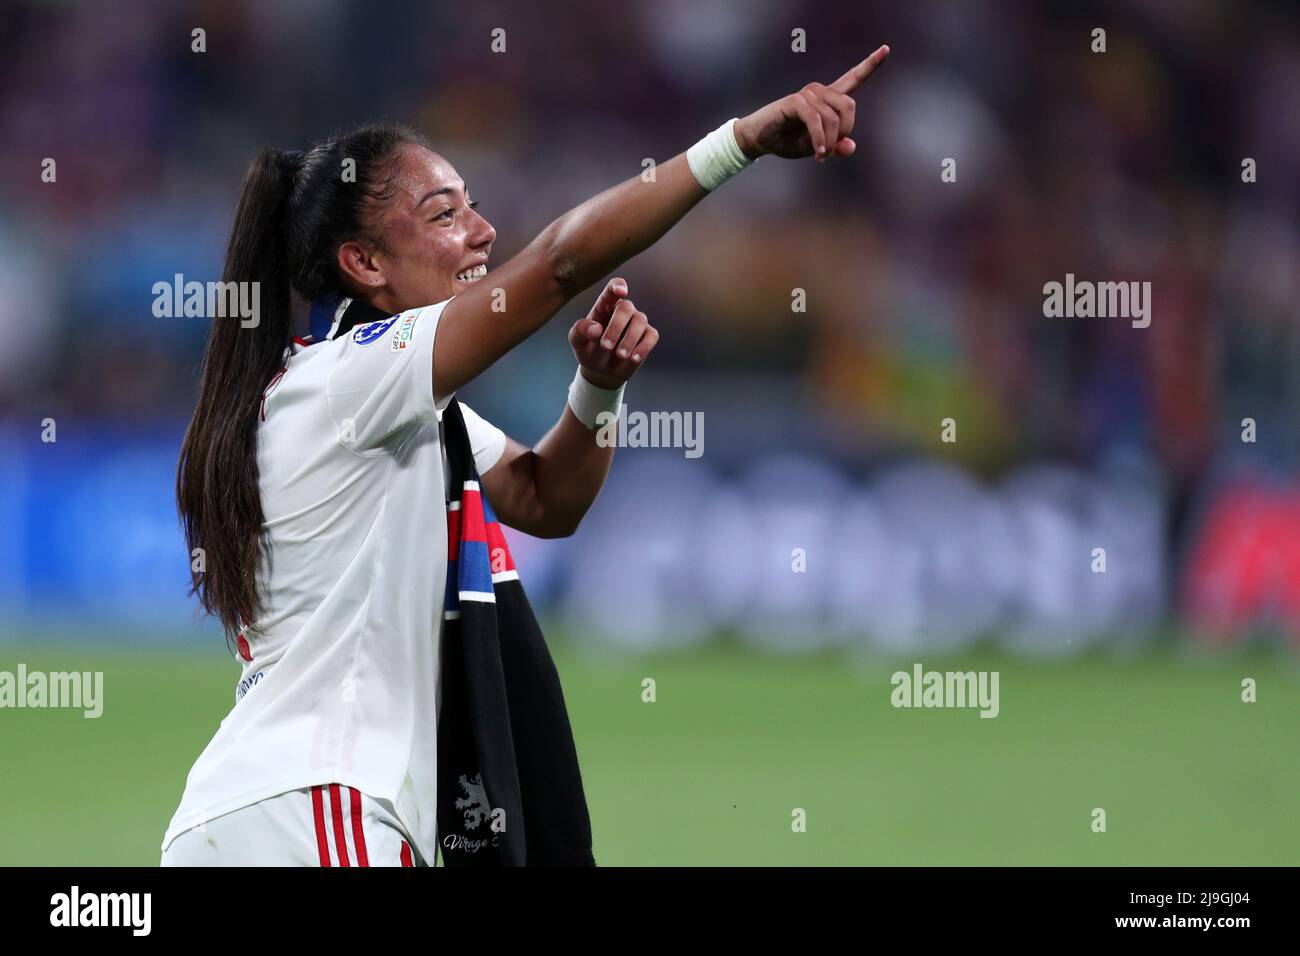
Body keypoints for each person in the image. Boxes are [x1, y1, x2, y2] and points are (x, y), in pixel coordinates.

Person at [161, 45, 891, 866]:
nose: (481, 229)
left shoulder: (380, 408)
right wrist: (739, 144)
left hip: (258, 818)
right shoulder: (348, 382)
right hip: (318, 812)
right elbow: (555, 266)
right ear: (364, 265)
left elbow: (548, 498)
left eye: (471, 205)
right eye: (443, 215)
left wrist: (597, 391)